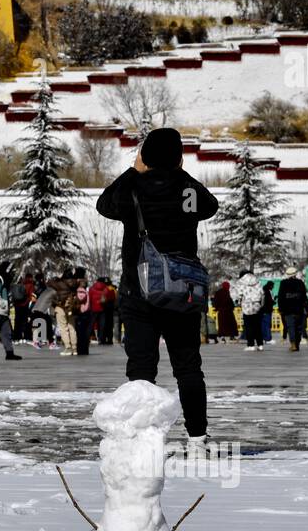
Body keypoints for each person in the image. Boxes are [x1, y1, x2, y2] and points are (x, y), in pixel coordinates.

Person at [96, 128, 220, 445]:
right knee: (188, 368)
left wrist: (134, 170)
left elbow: (104, 205)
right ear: (178, 157)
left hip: (138, 294)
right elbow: (209, 205)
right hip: (181, 292)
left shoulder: (133, 188)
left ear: (145, 157)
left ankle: (142, 441)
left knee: (141, 369)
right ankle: (197, 439)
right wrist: (179, 173)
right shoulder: (186, 190)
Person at [45, 270, 81, 356]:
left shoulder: (60, 283)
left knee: (63, 328)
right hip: (71, 307)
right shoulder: (75, 283)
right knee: (72, 328)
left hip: (61, 306)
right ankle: (74, 348)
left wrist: (57, 278)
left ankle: (68, 348)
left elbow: (49, 283)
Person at [276, 267, 308, 352]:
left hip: (287, 310)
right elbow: (304, 297)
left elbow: (280, 297)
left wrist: (280, 308)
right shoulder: (300, 283)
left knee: (290, 327)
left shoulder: (283, 283)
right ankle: (297, 344)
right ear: (295, 274)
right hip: (299, 309)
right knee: (298, 328)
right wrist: (307, 308)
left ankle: (293, 343)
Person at [234, 270, 263, 351]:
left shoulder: (240, 282)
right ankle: (260, 344)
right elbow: (262, 293)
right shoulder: (257, 280)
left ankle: (251, 345)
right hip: (256, 305)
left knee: (249, 326)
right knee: (257, 326)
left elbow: (239, 294)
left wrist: (239, 302)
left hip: (246, 306)